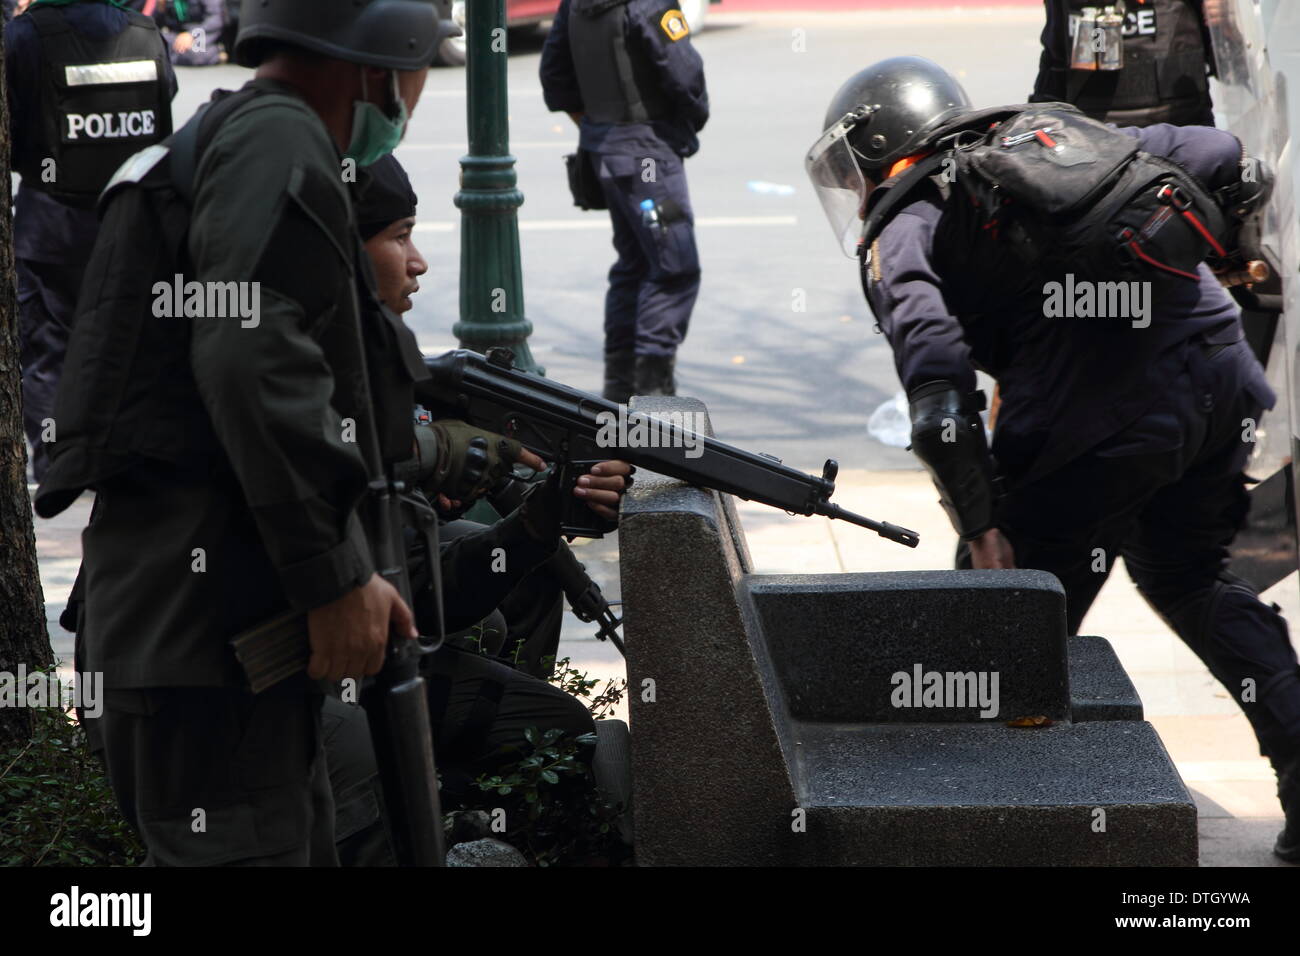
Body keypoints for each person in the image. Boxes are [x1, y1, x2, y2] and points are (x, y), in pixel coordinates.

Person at [808, 55, 1300, 862]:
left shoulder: (905, 222)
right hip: (1218, 379)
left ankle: (981, 828)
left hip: (1094, 422)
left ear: (877, 155)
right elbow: (1222, 157)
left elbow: (937, 396)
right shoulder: (1054, 130)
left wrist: (983, 528)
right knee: (1192, 576)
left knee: (996, 630)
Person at [34, 0, 463, 867]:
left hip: (215, 641)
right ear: (376, 65)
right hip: (204, 646)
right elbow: (250, 359)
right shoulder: (278, 138)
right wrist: (334, 579)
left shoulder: (246, 134)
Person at [325, 154, 634, 865]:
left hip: (354, 639)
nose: (420, 261)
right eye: (399, 236)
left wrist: (545, 513)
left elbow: (422, 577)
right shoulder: (315, 375)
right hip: (303, 672)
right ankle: (450, 813)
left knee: (510, 592)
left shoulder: (362, 357)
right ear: (339, 251)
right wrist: (430, 453)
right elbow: (415, 582)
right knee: (561, 729)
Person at [5, 0, 175, 483]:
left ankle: (61, 467)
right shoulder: (147, 33)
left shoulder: (25, 35)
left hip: (52, 230)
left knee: (48, 352)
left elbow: (12, 130)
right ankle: (128, 457)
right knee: (132, 347)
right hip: (135, 224)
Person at [539, 0, 708, 401]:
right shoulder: (647, 4)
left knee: (634, 264)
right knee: (673, 268)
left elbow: (554, 76)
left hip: (607, 150)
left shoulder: (575, 5)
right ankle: (653, 391)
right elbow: (685, 76)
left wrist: (597, 127)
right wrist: (679, 127)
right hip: (648, 152)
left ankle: (620, 389)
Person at [1031, 0, 1217, 127]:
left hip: (1181, 131)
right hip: (1091, 138)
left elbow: (1234, 66)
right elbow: (1054, 62)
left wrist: (1225, 20)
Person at [148, 0, 224, 66]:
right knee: (151, 42)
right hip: (177, 36)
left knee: (194, 54)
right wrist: (160, 9)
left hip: (201, 34)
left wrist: (191, 34)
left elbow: (216, 20)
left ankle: (217, 53)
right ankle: (171, 56)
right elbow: (156, 24)